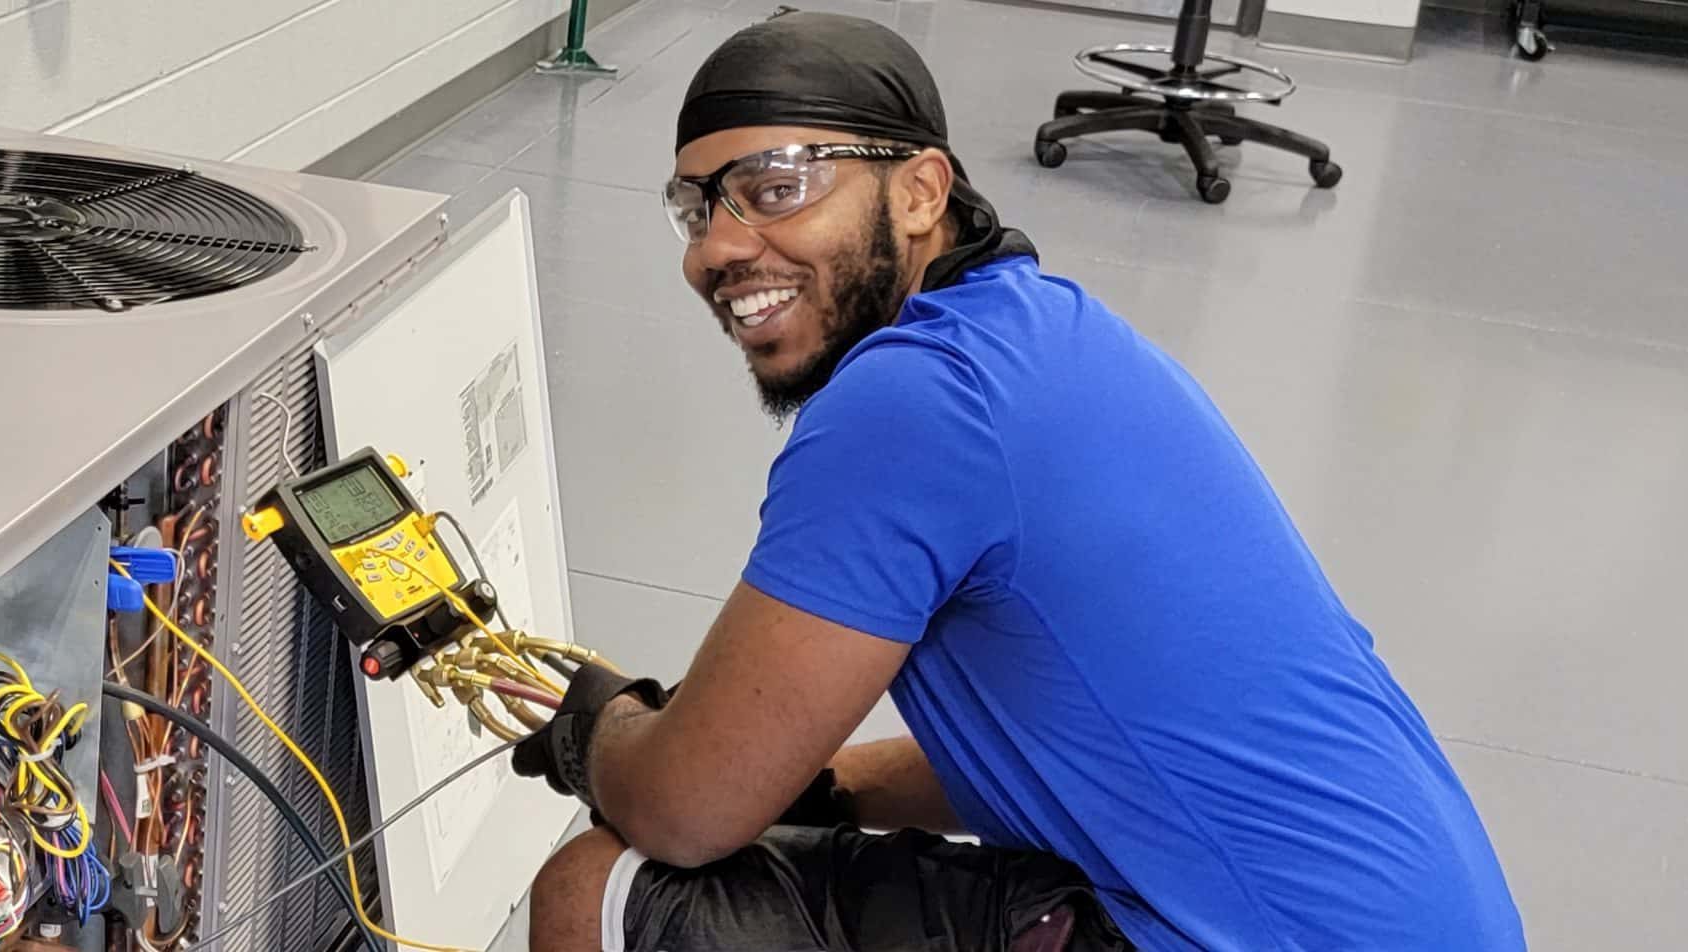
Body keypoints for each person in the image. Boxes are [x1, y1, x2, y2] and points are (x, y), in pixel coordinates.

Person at [507, 12, 1525, 952]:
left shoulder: (909, 403)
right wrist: (821, 785)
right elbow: (1066, 745)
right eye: (695, 209)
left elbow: (687, 805)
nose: (718, 248)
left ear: (919, 192)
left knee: (597, 886)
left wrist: (603, 730)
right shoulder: (1043, 334)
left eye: (777, 187)